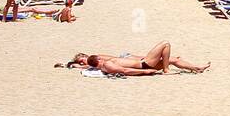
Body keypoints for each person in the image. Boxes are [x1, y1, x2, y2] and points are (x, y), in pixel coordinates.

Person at [59, 43, 210, 75]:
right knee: (166, 45)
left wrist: (70, 65)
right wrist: (72, 65)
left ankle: (197, 68)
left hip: (140, 61)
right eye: (82, 60)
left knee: (174, 58)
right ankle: (166, 70)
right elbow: (125, 70)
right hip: (143, 64)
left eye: (83, 57)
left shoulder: (97, 59)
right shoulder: (98, 64)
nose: (84, 60)